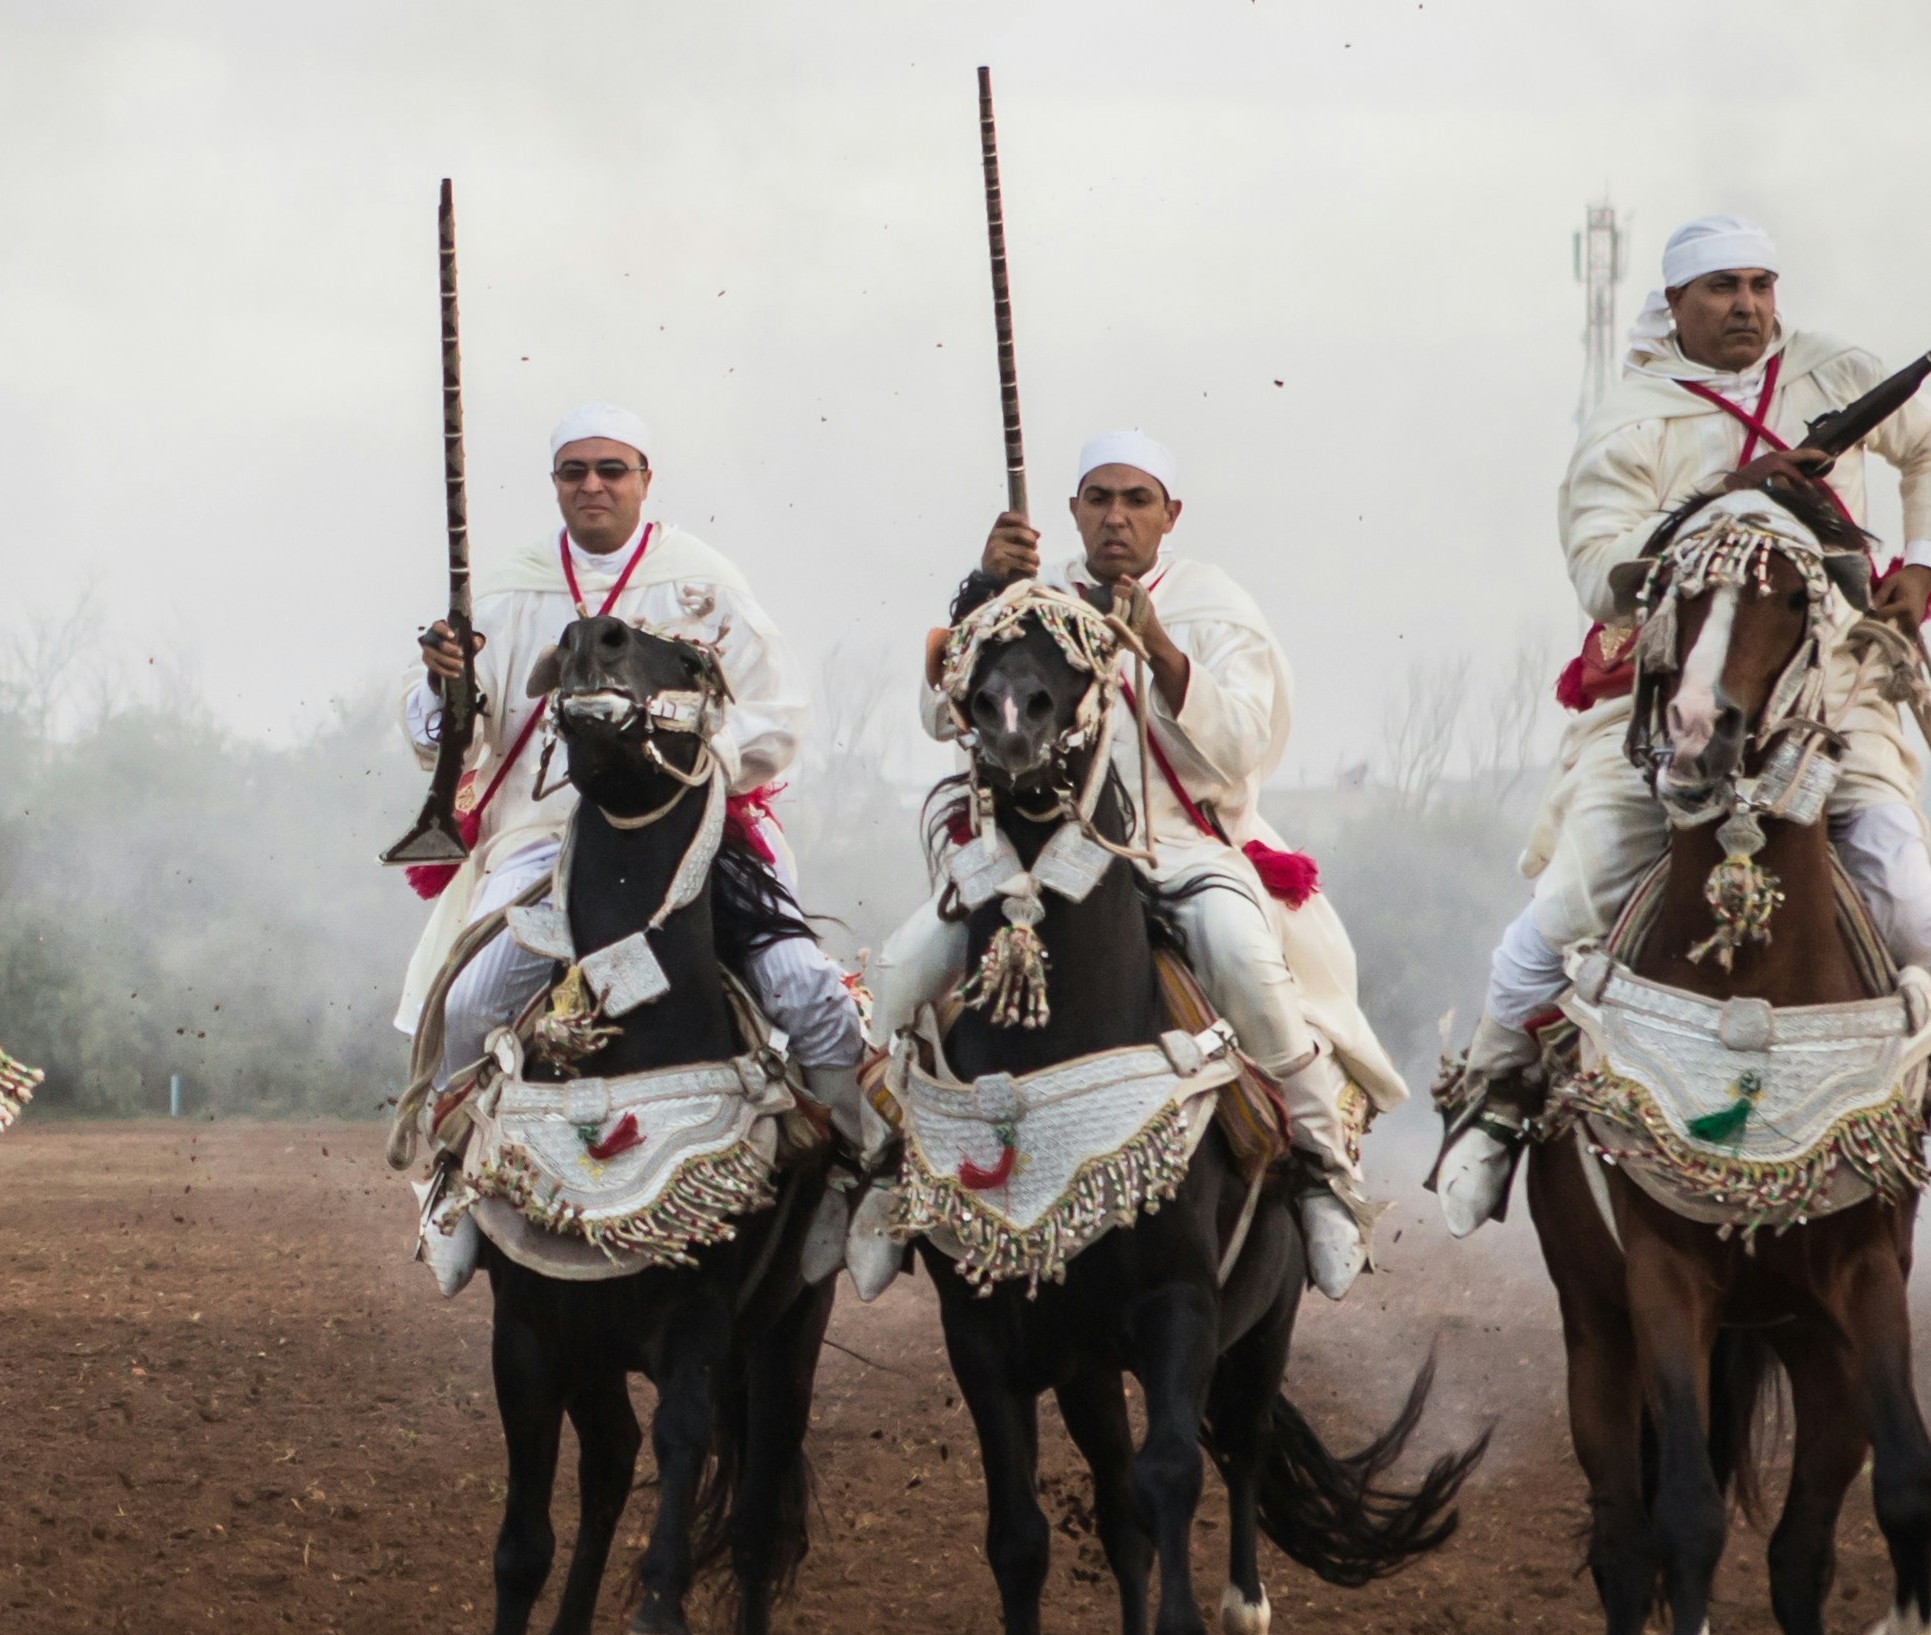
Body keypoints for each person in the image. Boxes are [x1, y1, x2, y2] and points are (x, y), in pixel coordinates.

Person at [1429, 217, 1931, 1228]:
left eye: (1759, 283)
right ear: (1674, 306)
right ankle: (1495, 1097)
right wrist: (1729, 495)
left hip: (1834, 698)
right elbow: (1600, 572)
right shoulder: (1624, 423)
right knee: (1562, 910)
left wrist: (1917, 572)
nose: (1746, 304)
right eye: (1719, 288)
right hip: (1663, 707)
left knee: (1912, 898)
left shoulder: (1834, 369)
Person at [898, 433, 1399, 1296]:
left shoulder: (1213, 602)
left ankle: (1322, 1173)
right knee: (898, 971)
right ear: (1072, 511)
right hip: (1036, 861)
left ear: (1171, 514)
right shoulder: (1030, 597)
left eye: (1137, 499)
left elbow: (1244, 745)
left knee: (1245, 958)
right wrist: (982, 591)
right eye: (1098, 498)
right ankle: (874, 1172)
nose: (1116, 516)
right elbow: (944, 717)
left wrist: (1161, 649)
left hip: (1179, 848)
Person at [392, 406, 870, 1135]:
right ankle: (456, 1188)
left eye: (612, 469)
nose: (594, 484)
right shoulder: (505, 593)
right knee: (468, 1005)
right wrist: (445, 683)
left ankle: (847, 1158)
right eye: (574, 470)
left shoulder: (701, 584)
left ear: (645, 480)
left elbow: (779, 712)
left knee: (808, 991)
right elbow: (447, 742)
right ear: (554, 483)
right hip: (546, 839)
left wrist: (688, 754)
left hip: (696, 835)